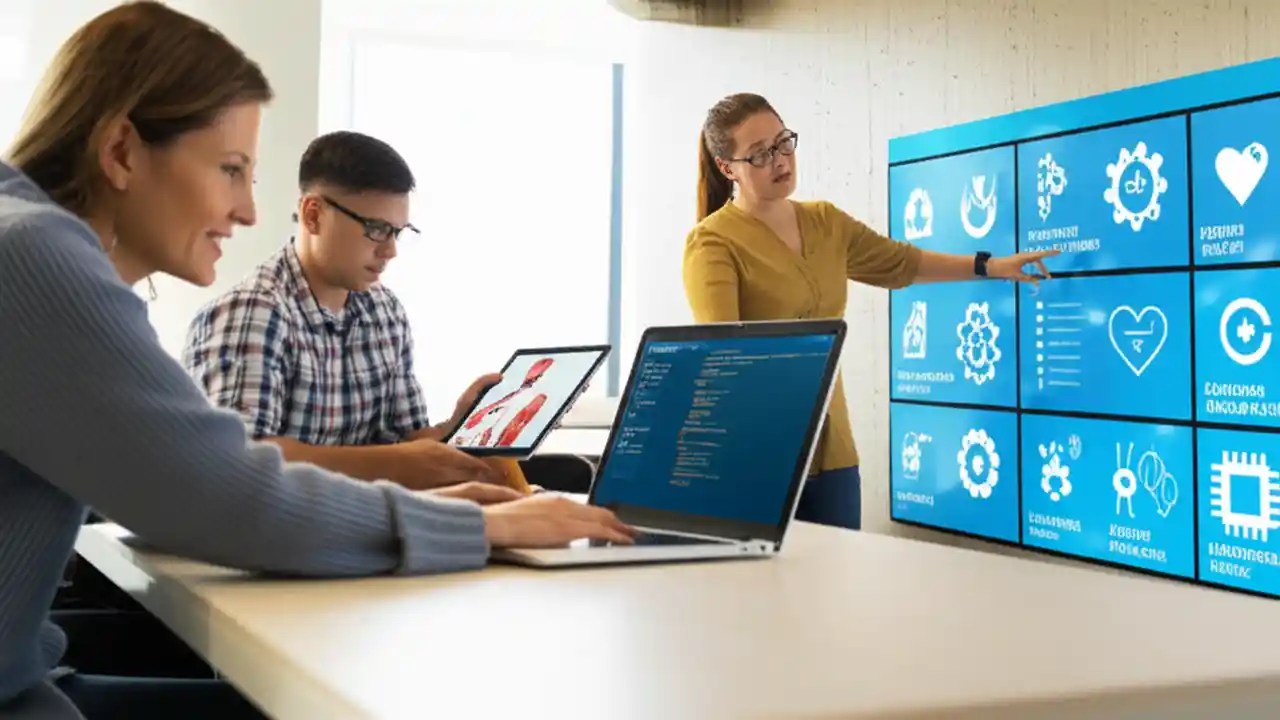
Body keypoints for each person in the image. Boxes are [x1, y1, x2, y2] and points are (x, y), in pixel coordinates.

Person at [0, 4, 633, 719]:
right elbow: (219, 495)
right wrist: (483, 527)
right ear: (121, 151)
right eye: (230, 170)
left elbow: (174, 484)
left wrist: (450, 451)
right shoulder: (33, 257)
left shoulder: (25, 243)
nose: (246, 211)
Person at [684, 92, 1057, 531]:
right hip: (757, 459)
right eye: (760, 154)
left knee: (840, 574)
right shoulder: (713, 243)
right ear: (728, 168)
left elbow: (900, 263)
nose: (780, 160)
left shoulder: (825, 222)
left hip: (833, 454)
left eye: (783, 142)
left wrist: (989, 266)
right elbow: (721, 364)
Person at [183, 130, 521, 492]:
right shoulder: (255, 312)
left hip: (369, 519)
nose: (390, 251)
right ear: (313, 215)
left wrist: (457, 425)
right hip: (276, 525)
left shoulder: (385, 311)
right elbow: (241, 459)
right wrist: (396, 463)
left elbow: (410, 441)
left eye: (397, 232)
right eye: (376, 229)